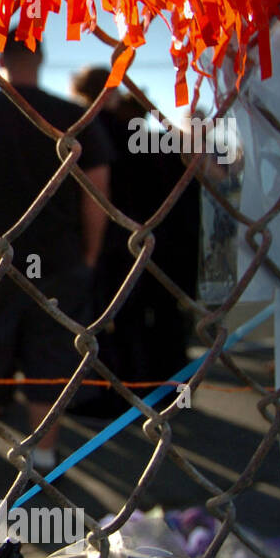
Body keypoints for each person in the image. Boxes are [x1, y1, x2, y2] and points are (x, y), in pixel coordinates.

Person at [0, 37, 115, 475]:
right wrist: (89, 254)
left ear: (0, 61)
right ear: (41, 59)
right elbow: (97, 191)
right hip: (57, 260)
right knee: (50, 361)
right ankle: (44, 458)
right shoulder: (72, 117)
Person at [72, 68, 201, 414]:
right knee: (163, 319)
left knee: (116, 319)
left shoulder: (95, 134)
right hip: (167, 246)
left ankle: (117, 394)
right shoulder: (162, 143)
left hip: (117, 244)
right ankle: (171, 393)